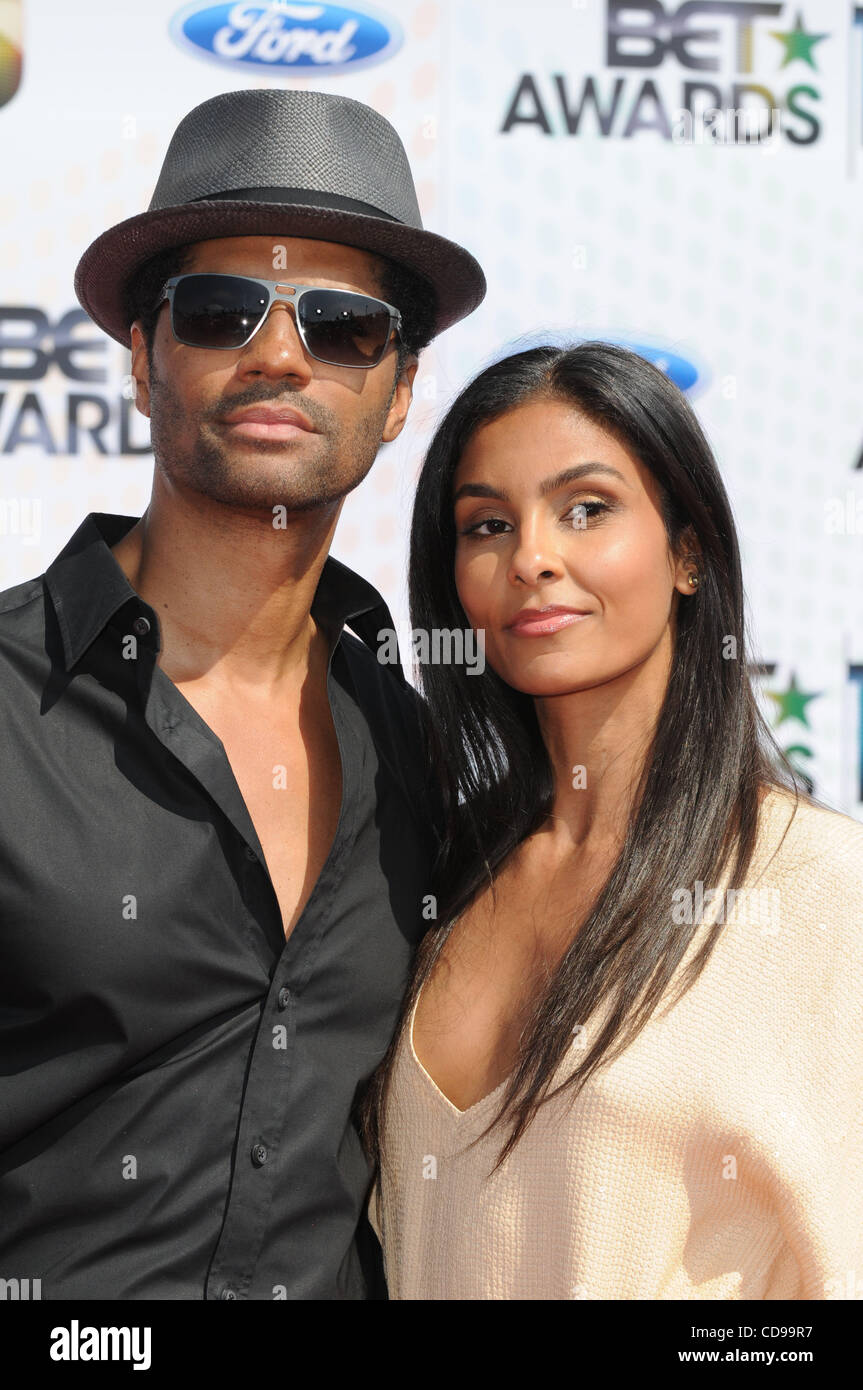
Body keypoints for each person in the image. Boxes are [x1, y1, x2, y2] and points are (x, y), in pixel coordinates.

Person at [0, 87, 485, 1300]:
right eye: (223, 311)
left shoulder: (421, 753)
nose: (278, 354)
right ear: (142, 355)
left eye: (342, 325)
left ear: (400, 390)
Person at [362, 341, 863, 1300]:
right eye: (487, 525)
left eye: (585, 509)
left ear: (686, 551)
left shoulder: (818, 895)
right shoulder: (434, 870)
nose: (532, 559)